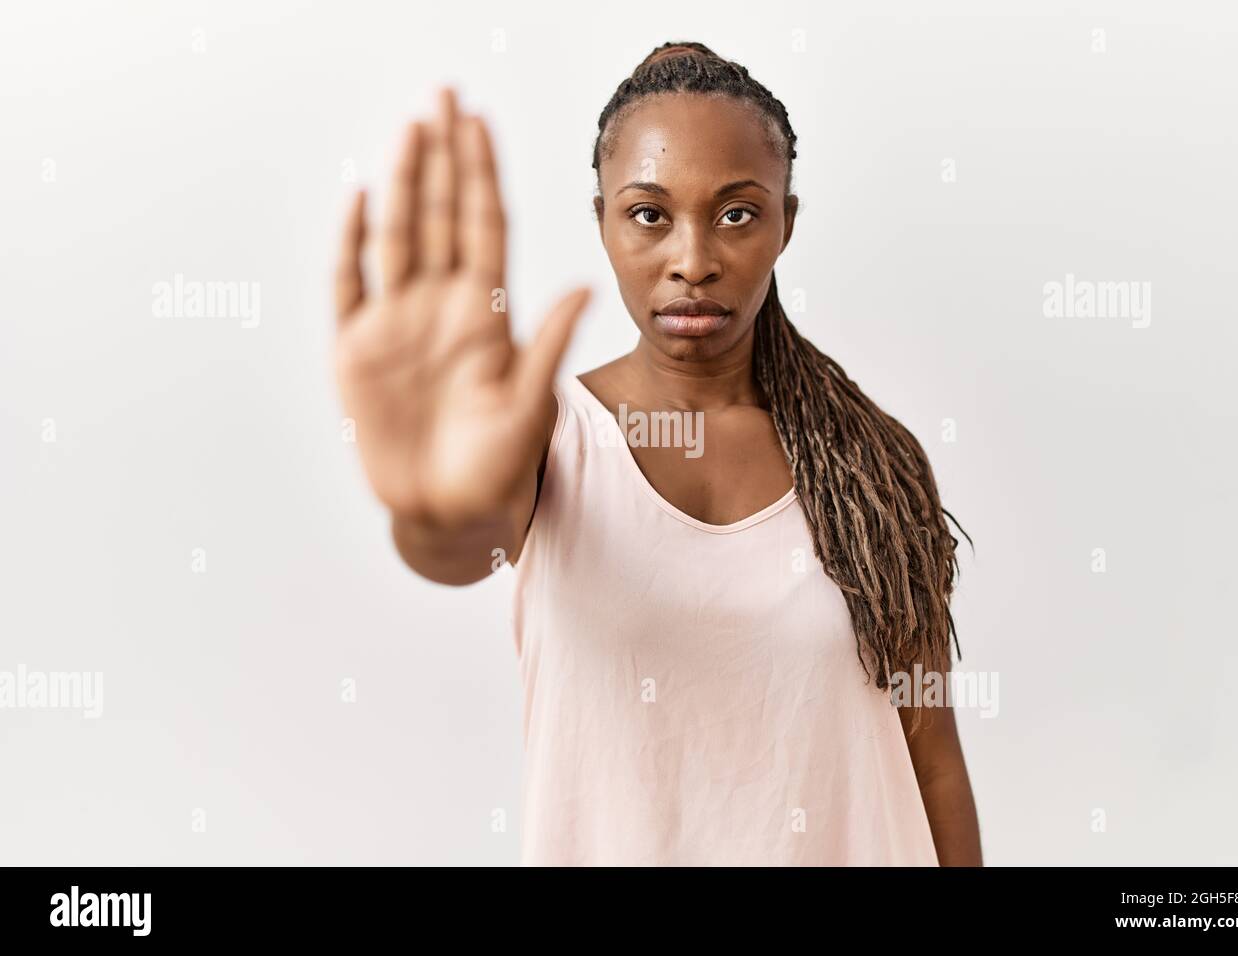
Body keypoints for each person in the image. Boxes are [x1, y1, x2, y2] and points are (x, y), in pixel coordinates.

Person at [332, 41, 981, 866]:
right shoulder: (545, 434)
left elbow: (934, 763)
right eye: (649, 214)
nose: (693, 260)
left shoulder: (872, 464)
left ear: (787, 221)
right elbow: (461, 544)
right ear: (601, 216)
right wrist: (432, 508)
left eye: (737, 213)